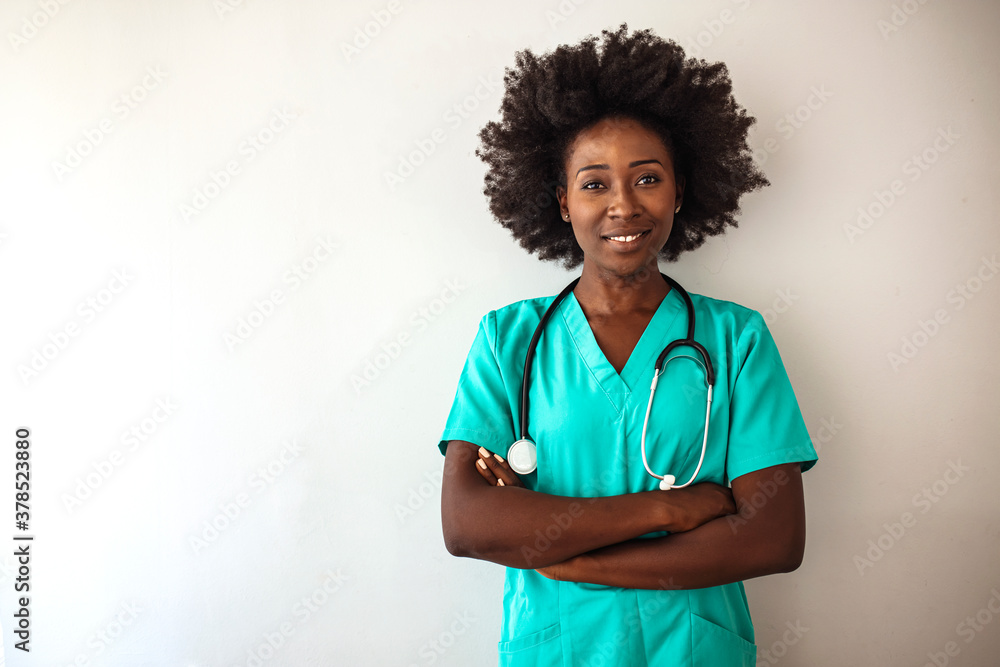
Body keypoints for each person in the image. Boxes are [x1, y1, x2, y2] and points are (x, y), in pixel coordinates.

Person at [438, 25, 817, 666]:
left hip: (694, 651)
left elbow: (774, 540)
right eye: (594, 184)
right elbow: (467, 525)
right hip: (557, 651)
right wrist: (673, 510)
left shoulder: (737, 339)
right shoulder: (507, 341)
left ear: (681, 190)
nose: (623, 206)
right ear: (561, 201)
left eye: (647, 179)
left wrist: (567, 551)